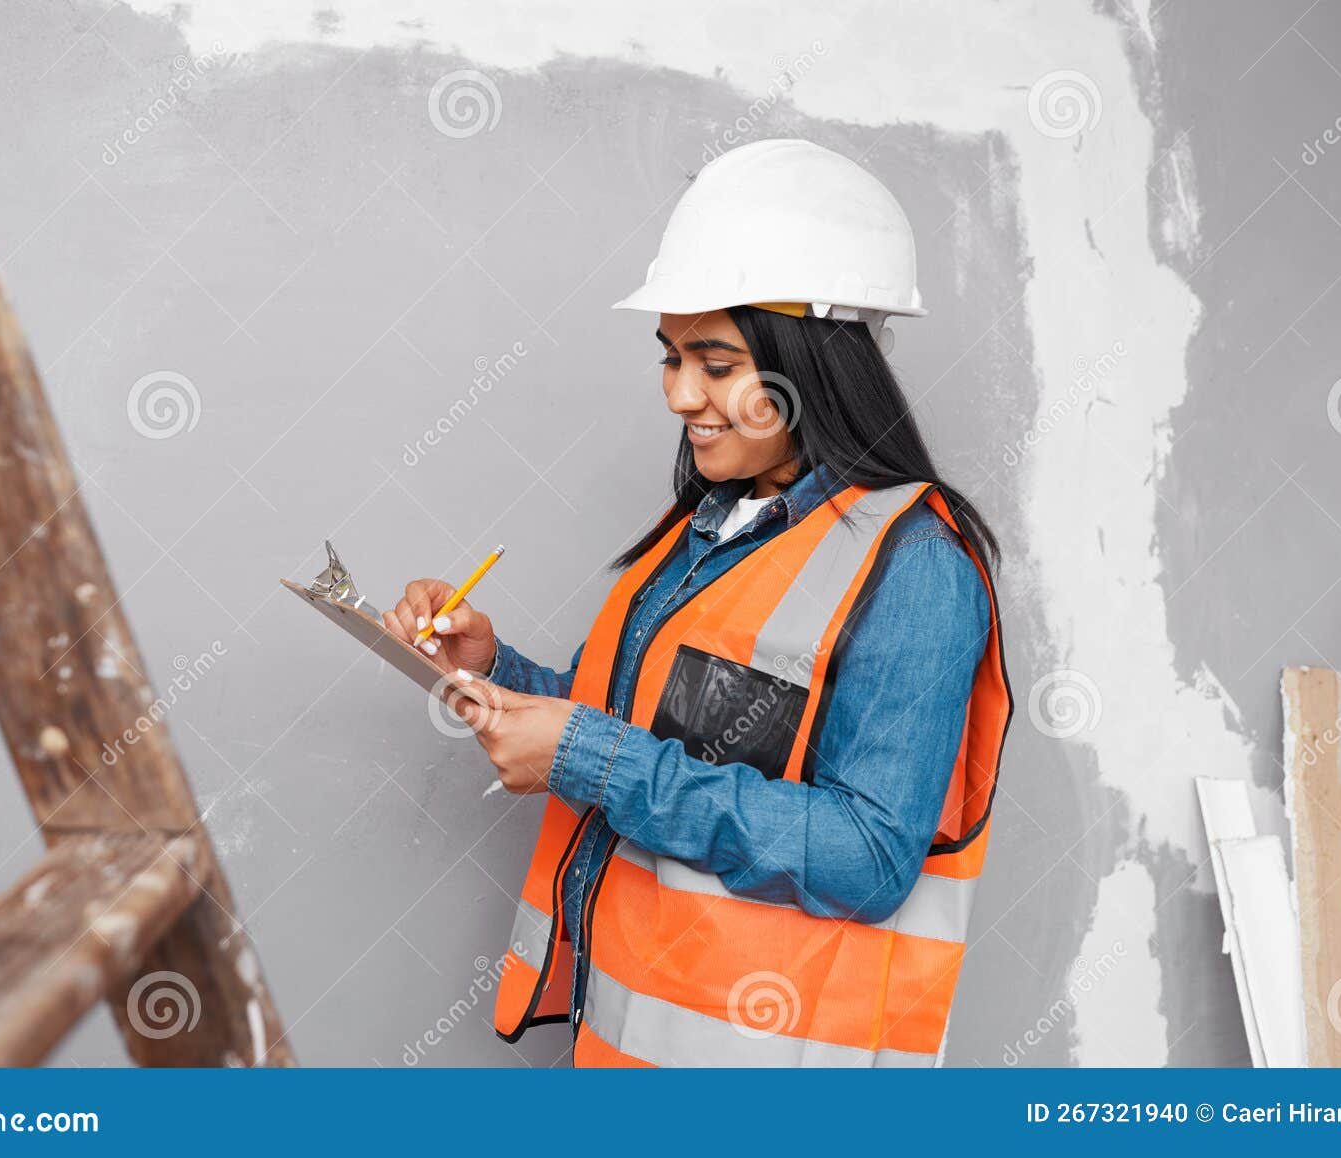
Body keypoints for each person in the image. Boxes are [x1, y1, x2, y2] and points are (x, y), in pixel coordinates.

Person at [382, 139, 1012, 1067]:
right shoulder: (718, 522)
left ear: (818, 361)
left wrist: (590, 759)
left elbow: (868, 858)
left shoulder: (917, 566)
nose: (681, 395)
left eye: (715, 364)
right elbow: (646, 731)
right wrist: (492, 670)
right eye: (672, 358)